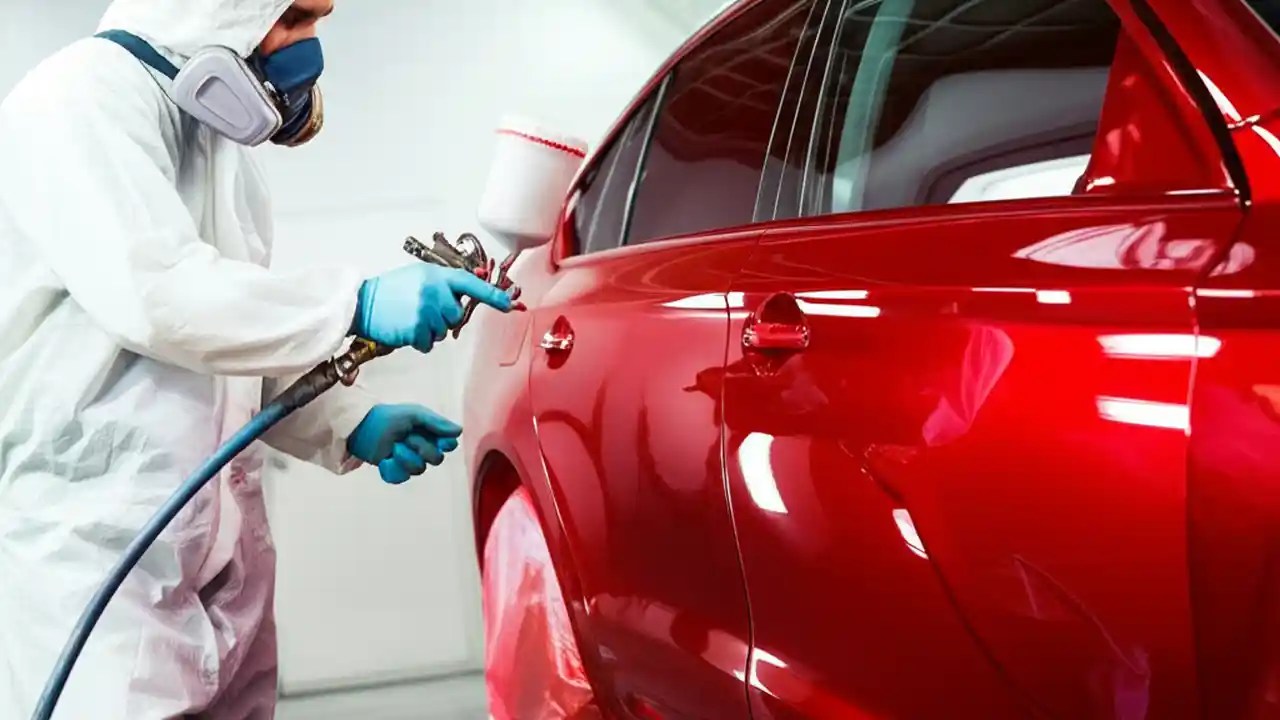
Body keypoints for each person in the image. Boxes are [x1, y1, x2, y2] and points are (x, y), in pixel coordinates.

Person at [0, 0, 512, 717]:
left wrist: (349, 420)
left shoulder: (221, 156)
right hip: (98, 557)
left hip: (216, 560)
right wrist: (356, 305)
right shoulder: (75, 103)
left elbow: (235, 338)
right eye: (294, 20)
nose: (306, 51)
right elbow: (161, 296)